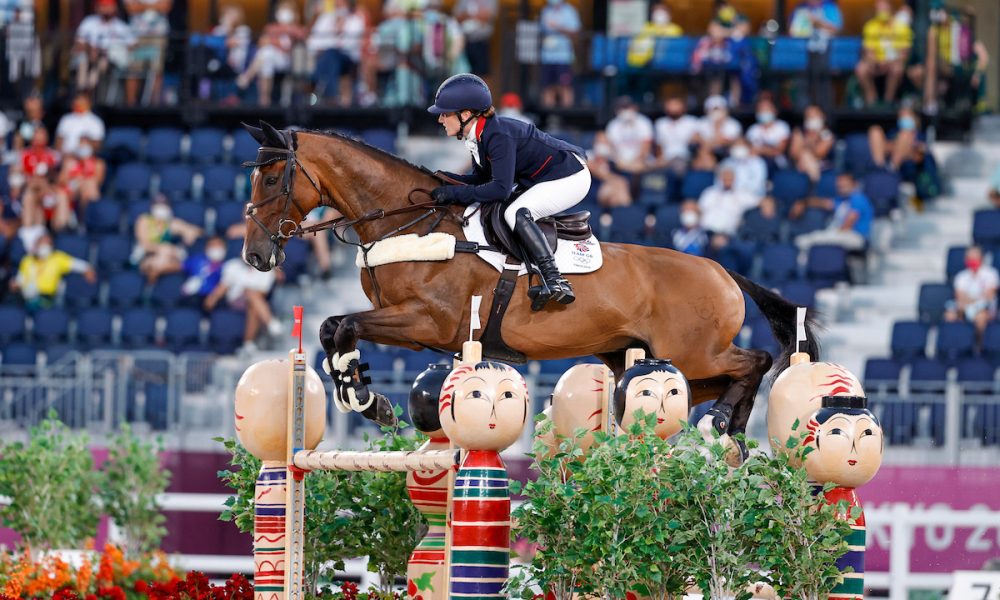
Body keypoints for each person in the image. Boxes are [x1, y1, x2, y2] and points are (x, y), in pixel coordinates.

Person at [427, 73, 590, 310]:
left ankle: (555, 279)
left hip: (570, 177)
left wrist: (452, 194)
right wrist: (440, 179)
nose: (441, 119)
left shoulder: (498, 135)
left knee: (516, 213)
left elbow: (500, 189)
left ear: (465, 114)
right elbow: (480, 179)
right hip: (544, 177)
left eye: (445, 113)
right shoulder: (481, 134)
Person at [204, 256, 283, 354]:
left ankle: (248, 344)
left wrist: (248, 292)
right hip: (235, 300)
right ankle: (270, 322)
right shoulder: (232, 265)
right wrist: (212, 299)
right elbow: (223, 286)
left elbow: (263, 293)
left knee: (253, 305)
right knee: (252, 297)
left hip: (256, 300)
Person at [236, 1, 307, 106]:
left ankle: (247, 76)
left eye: (287, 10)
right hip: (272, 58)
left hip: (288, 61)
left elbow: (300, 37)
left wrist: (274, 40)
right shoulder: (271, 27)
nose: (284, 13)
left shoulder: (297, 28)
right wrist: (280, 39)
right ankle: (265, 99)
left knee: (266, 52)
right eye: (282, 10)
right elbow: (262, 41)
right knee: (266, 56)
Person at [589, 97, 653, 207]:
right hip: (617, 166)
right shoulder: (613, 125)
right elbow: (610, 150)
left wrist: (630, 164)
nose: (625, 110)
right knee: (615, 188)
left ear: (634, 107)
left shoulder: (643, 122)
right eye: (622, 108)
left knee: (621, 185)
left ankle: (624, 214)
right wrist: (618, 165)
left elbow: (645, 148)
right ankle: (624, 214)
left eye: (627, 107)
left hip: (637, 164)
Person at [10, 233, 97, 311]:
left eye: (47, 243)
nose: (44, 245)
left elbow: (79, 265)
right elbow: (20, 279)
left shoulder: (57, 258)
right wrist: (15, 284)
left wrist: (87, 269)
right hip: (25, 298)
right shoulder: (27, 260)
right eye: (41, 242)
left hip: (47, 298)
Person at [795, 172, 873, 252]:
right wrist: (804, 202)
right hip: (841, 234)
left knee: (810, 240)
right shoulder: (842, 200)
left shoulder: (858, 199)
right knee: (805, 240)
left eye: (845, 186)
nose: (842, 188)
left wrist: (830, 234)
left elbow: (848, 224)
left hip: (856, 236)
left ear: (854, 184)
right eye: (840, 186)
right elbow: (823, 203)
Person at [132, 195, 203, 282]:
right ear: (152, 207)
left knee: (169, 257)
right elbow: (144, 243)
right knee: (165, 254)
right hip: (146, 257)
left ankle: (156, 273)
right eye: (158, 206)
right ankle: (155, 273)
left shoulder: (171, 223)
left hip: (165, 258)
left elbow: (196, 230)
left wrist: (190, 233)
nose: (161, 208)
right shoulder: (144, 221)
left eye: (164, 206)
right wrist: (163, 248)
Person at [692, 1, 750, 106]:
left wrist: (730, 26)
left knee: (736, 75)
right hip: (719, 57)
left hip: (737, 56)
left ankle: (735, 103)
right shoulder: (716, 20)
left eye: (725, 7)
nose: (724, 10)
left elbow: (744, 29)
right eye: (721, 9)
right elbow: (715, 33)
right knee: (715, 75)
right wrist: (733, 31)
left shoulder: (739, 18)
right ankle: (714, 102)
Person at [72, 0, 135, 97]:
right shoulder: (89, 22)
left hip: (111, 59)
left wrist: (109, 50)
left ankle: (88, 91)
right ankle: (82, 90)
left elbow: (132, 45)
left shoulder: (121, 26)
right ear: (97, 7)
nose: (105, 9)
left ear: (114, 8)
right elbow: (79, 41)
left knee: (102, 60)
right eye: (103, 6)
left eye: (108, 6)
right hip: (89, 55)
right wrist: (90, 49)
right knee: (82, 59)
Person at [855, 0, 912, 107]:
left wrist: (889, 62)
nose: (881, 11)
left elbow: (904, 54)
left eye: (884, 7)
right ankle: (872, 102)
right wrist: (877, 62)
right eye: (878, 8)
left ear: (891, 8)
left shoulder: (901, 27)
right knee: (861, 68)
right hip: (876, 63)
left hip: (894, 63)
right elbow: (868, 51)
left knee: (897, 69)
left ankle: (888, 102)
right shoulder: (870, 26)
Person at [788, 0, 842, 111]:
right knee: (801, 84)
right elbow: (792, 31)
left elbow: (836, 29)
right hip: (803, 52)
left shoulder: (830, 8)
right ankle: (803, 113)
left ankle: (824, 114)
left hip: (825, 52)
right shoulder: (800, 9)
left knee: (822, 84)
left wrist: (817, 21)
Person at [16, 127, 73, 233]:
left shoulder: (54, 155)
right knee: (30, 196)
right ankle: (28, 233)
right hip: (32, 191)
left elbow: (59, 178)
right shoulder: (24, 154)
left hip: (51, 191)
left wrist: (46, 184)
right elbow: (21, 177)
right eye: (36, 135)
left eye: (41, 135)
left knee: (62, 195)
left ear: (46, 138)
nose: (38, 138)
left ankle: (61, 231)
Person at [945, 246, 998, 341]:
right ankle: (958, 343)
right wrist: (973, 300)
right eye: (969, 258)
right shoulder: (961, 276)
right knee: (950, 315)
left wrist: (971, 299)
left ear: (981, 258)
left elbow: (989, 295)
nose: (972, 260)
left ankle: (979, 346)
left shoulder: (991, 274)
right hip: (965, 306)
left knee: (980, 317)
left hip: (985, 308)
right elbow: (959, 296)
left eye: (974, 258)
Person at [124, 0, 171, 106]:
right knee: (134, 70)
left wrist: (141, 6)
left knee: (156, 70)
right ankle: (131, 105)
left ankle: (154, 103)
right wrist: (154, 6)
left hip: (158, 35)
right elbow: (131, 9)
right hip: (137, 35)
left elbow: (165, 7)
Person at [697, 165, 760, 238]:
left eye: (729, 178)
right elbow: (699, 209)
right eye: (724, 178)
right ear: (719, 178)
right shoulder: (709, 192)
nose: (727, 180)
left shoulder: (742, 194)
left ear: (734, 179)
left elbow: (760, 201)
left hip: (727, 233)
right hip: (706, 231)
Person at [538, 0, 581, 108]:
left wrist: (558, 27)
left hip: (563, 56)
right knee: (548, 86)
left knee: (565, 86)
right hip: (547, 56)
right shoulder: (546, 11)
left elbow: (575, 31)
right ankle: (549, 114)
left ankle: (567, 116)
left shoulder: (569, 11)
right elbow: (541, 29)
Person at [691, 95, 742, 171]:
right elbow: (694, 138)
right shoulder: (702, 122)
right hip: (705, 152)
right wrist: (705, 142)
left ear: (725, 110)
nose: (716, 113)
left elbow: (728, 141)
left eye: (719, 109)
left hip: (725, 153)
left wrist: (718, 127)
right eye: (713, 110)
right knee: (699, 160)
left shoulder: (733, 124)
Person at [58, 135, 106, 216]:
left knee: (90, 185)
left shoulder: (98, 163)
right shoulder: (70, 162)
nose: (83, 148)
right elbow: (61, 181)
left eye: (86, 146)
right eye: (81, 145)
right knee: (63, 192)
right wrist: (75, 179)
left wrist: (85, 165)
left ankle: (89, 219)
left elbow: (98, 181)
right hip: (72, 188)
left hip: (87, 188)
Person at [626, 3, 683, 69]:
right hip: (638, 64)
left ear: (669, 15)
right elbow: (635, 45)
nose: (659, 15)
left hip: (662, 65)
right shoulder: (646, 27)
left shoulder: (675, 29)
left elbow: (672, 48)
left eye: (662, 11)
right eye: (656, 12)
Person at [653, 97, 700, 175]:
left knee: (678, 167)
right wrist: (660, 158)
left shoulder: (692, 121)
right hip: (666, 157)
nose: (673, 108)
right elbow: (659, 145)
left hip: (684, 156)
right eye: (670, 105)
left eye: (676, 105)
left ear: (683, 107)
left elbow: (696, 143)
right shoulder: (660, 123)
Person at [789, 104, 835, 182]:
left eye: (815, 115)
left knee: (805, 155)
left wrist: (809, 141)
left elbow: (819, 153)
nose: (812, 118)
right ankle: (814, 182)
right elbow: (794, 153)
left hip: (822, 167)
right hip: (800, 166)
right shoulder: (799, 131)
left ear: (823, 116)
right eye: (809, 116)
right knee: (805, 155)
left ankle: (814, 182)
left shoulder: (827, 134)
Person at [745, 97, 790, 170]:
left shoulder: (782, 127)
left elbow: (779, 150)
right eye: (761, 110)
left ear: (774, 111)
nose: (764, 112)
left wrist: (760, 150)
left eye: (767, 110)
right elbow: (750, 150)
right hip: (756, 163)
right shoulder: (752, 130)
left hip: (776, 164)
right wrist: (767, 150)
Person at [454, 0, 497, 76]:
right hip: (465, 42)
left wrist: (469, 14)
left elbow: (488, 15)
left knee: (483, 74)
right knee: (465, 74)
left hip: (482, 42)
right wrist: (475, 14)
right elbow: (457, 16)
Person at [55, 93, 105, 157]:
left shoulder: (95, 121)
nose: (78, 104)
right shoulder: (66, 119)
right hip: (65, 155)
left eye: (81, 102)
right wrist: (62, 152)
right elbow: (58, 140)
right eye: (76, 101)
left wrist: (88, 141)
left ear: (88, 104)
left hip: (85, 157)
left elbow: (98, 145)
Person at [181, 235, 227, 301]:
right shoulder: (197, 259)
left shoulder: (227, 266)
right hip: (191, 298)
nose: (216, 248)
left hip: (212, 299)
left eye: (219, 245)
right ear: (206, 248)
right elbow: (180, 266)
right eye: (212, 245)